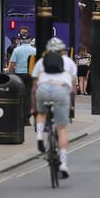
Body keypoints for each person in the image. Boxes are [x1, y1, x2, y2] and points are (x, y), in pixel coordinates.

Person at [31, 37, 77, 178]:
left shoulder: (40, 62)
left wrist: (33, 108)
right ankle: (63, 164)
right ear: (63, 50)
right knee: (61, 129)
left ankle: (39, 137)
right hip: (61, 90)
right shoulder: (69, 62)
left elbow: (34, 88)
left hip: (43, 89)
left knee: (41, 113)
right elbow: (73, 90)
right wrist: (72, 106)